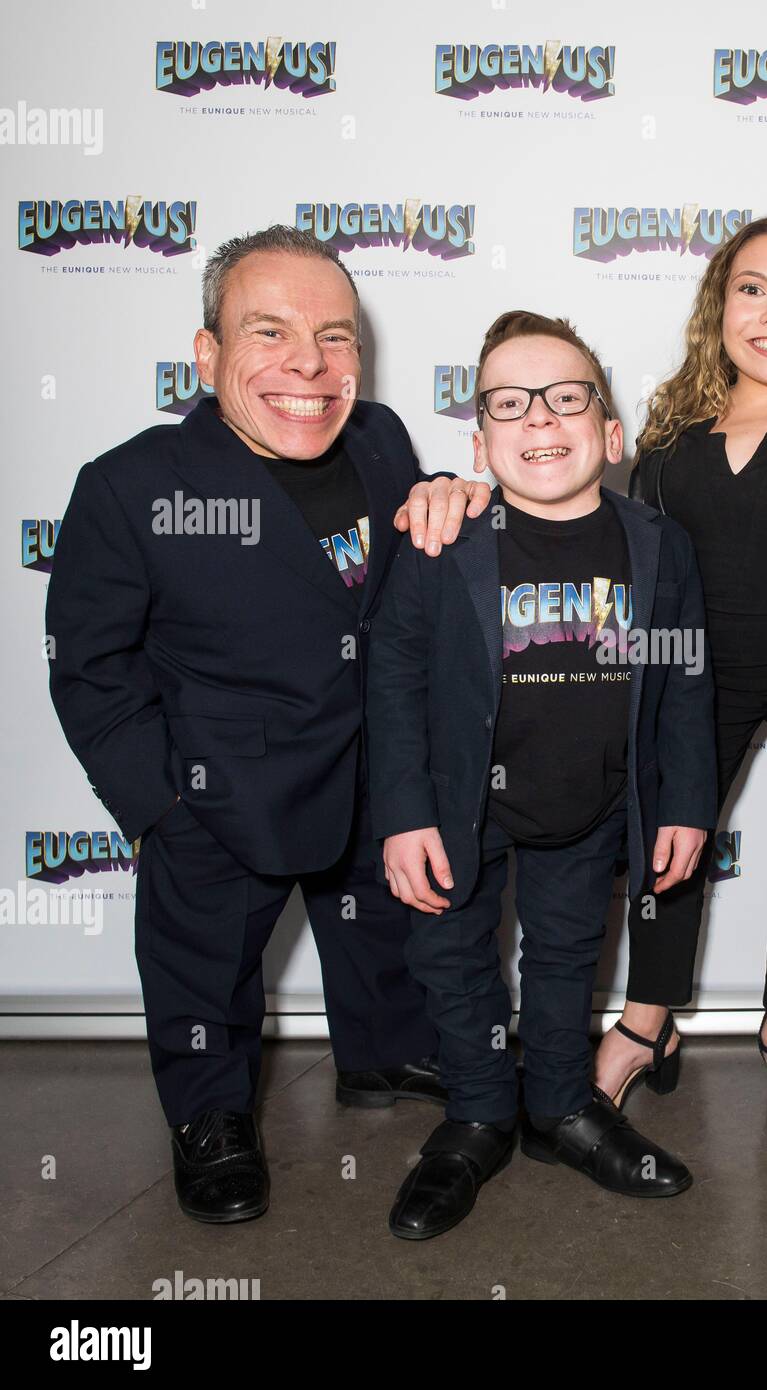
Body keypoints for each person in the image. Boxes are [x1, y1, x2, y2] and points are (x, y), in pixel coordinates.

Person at [400, 216, 767, 1145]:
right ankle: (646, 1022)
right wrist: (465, 488)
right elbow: (576, 523)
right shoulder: (674, 431)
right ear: (717, 309)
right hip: (681, 681)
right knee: (666, 853)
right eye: (752, 288)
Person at [44, 226, 460, 1224]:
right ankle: (210, 1117)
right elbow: (90, 667)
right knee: (203, 974)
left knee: (384, 936)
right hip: (220, 792)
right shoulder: (130, 486)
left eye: (335, 335)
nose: (309, 365)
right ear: (206, 353)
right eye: (267, 332)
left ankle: (380, 1054)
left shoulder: (384, 440)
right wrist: (159, 804)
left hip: (373, 769)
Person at [366, 311, 716, 1240]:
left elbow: (685, 678)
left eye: (567, 399)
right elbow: (395, 679)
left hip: (591, 804)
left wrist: (684, 800)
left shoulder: (656, 544)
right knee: (454, 964)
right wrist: (402, 814)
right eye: (510, 406)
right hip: (457, 809)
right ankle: (479, 1113)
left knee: (566, 960)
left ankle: (561, 1107)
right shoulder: (445, 544)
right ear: (480, 444)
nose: (540, 421)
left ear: (609, 432)